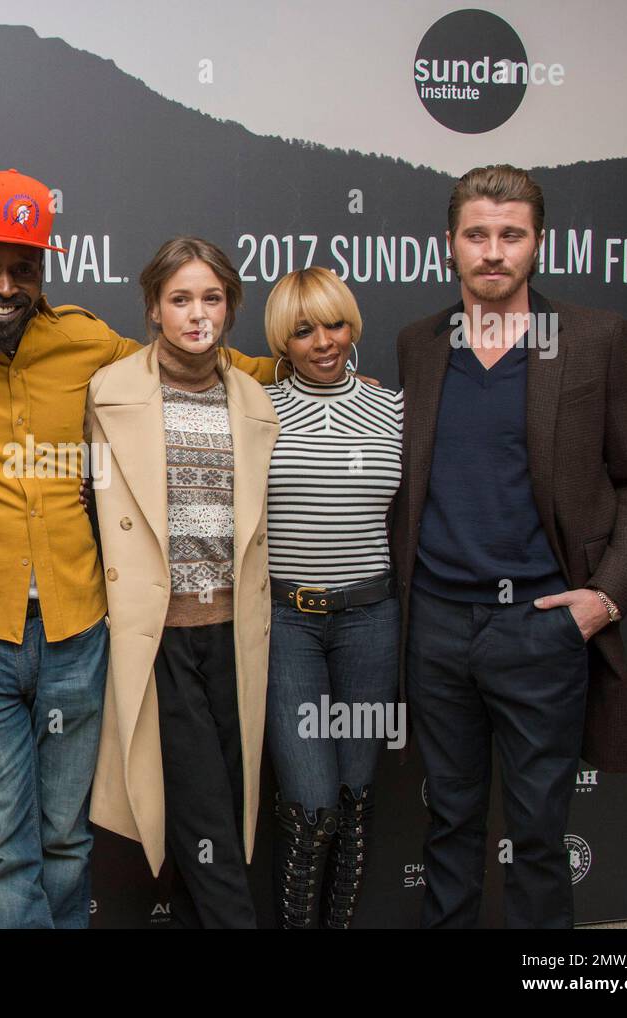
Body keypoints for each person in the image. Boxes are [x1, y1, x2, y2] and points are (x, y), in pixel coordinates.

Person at [0, 168, 280, 928]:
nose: (4, 285)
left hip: (76, 630)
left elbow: (197, 364)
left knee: (65, 839)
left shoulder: (88, 342)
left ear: (43, 272)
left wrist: (303, 361)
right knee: (2, 849)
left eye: (22, 269)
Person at [393, 164, 627, 928]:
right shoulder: (420, 343)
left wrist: (602, 600)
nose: (493, 252)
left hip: (543, 627)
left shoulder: (593, 338)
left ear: (538, 243)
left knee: (540, 838)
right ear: (450, 244)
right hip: (439, 626)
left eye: (511, 235)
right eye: (477, 235)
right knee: (448, 825)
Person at [85, 237, 278, 928]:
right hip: (161, 638)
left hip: (238, 638)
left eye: (212, 298)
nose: (198, 314)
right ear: (154, 309)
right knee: (201, 815)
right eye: (180, 299)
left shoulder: (257, 400)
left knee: (225, 807)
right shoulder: (109, 394)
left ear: (230, 306)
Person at [261, 267, 403, 929]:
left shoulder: (396, 409)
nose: (324, 341)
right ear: (281, 341)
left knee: (354, 796)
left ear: (354, 325)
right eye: (304, 330)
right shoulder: (256, 409)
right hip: (288, 622)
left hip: (371, 623)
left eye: (335, 323)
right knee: (311, 803)